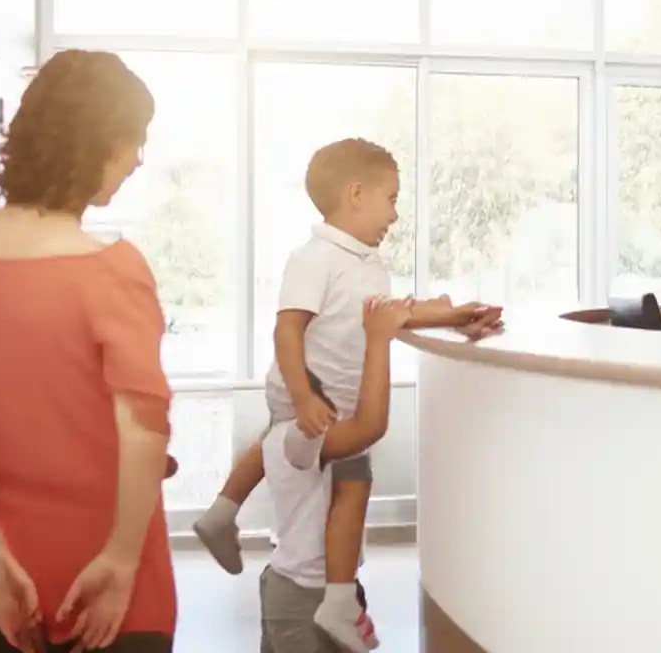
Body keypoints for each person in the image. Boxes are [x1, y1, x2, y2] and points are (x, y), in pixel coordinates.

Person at [192, 138, 502, 652]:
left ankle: (224, 513)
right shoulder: (315, 258)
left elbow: (389, 312)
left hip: (332, 398)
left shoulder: (365, 262)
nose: (396, 215)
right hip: (312, 395)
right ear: (356, 193)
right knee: (352, 479)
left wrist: (455, 317)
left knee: (307, 464)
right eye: (391, 199)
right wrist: (302, 395)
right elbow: (287, 331)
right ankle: (335, 597)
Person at [0, 49, 177, 652]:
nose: (138, 159)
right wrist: (119, 560)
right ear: (96, 143)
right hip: (114, 575)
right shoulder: (111, 270)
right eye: (133, 140)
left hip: (7, 572)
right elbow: (144, 429)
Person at [260, 296, 411, 653]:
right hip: (303, 598)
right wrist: (378, 341)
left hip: (308, 589)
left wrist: (458, 317)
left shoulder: (287, 438)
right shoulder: (297, 439)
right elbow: (370, 425)